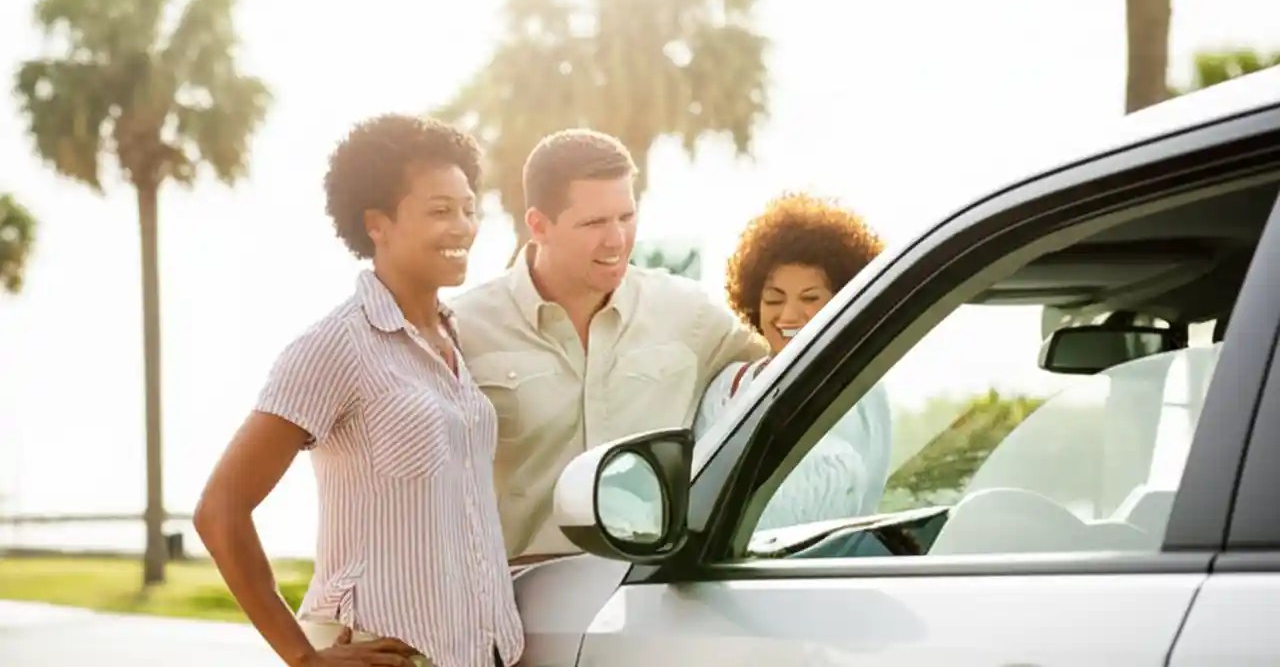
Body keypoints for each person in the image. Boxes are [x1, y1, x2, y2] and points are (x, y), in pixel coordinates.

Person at [195, 114, 521, 667]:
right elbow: (220, 510)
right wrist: (305, 658)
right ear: (378, 223)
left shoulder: (454, 338)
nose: (464, 227)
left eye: (469, 208)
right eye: (440, 211)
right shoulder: (335, 346)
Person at [450, 128, 768, 564]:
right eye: (594, 223)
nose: (616, 240)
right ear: (539, 226)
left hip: (647, 599)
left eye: (625, 217)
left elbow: (791, 366)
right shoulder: (462, 330)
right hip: (517, 607)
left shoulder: (690, 314)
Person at [693, 191, 892, 530]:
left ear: (844, 300)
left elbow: (864, 497)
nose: (788, 315)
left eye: (810, 298)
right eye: (774, 298)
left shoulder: (863, 391)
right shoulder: (728, 388)